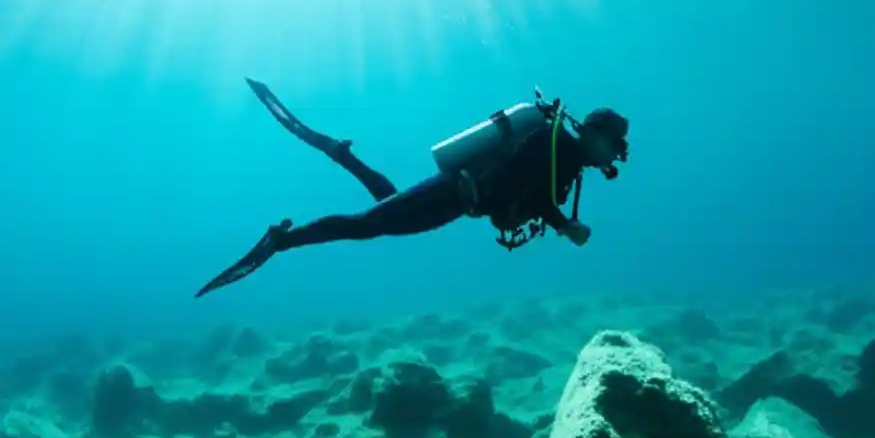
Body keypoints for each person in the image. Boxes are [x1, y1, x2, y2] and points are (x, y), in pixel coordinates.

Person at [194, 78, 630, 299]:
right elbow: (534, 193)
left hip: (459, 199)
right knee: (369, 224)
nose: (614, 157)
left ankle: (341, 154)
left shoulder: (564, 155)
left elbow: (525, 195)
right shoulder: (559, 150)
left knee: (385, 212)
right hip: (455, 192)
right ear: (595, 135)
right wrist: (565, 227)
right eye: (615, 147)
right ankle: (282, 240)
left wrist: (559, 221)